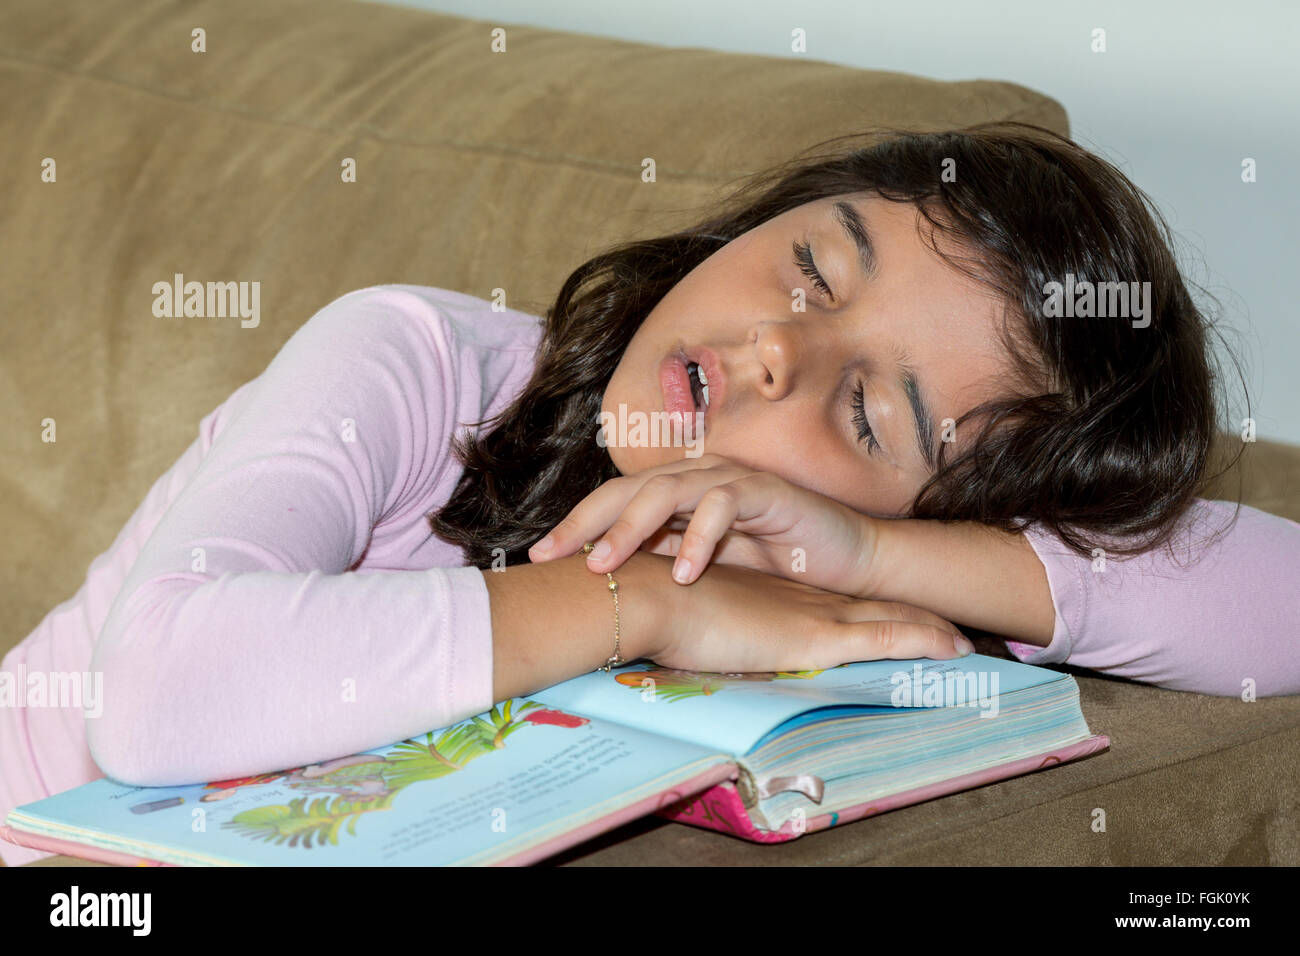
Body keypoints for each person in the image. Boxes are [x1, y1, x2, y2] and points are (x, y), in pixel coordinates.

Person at [2, 123, 1296, 867]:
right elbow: (153, 697)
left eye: (863, 411)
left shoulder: (829, 566)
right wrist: (637, 606)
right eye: (809, 269)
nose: (780, 349)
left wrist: (872, 557)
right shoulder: (418, 362)